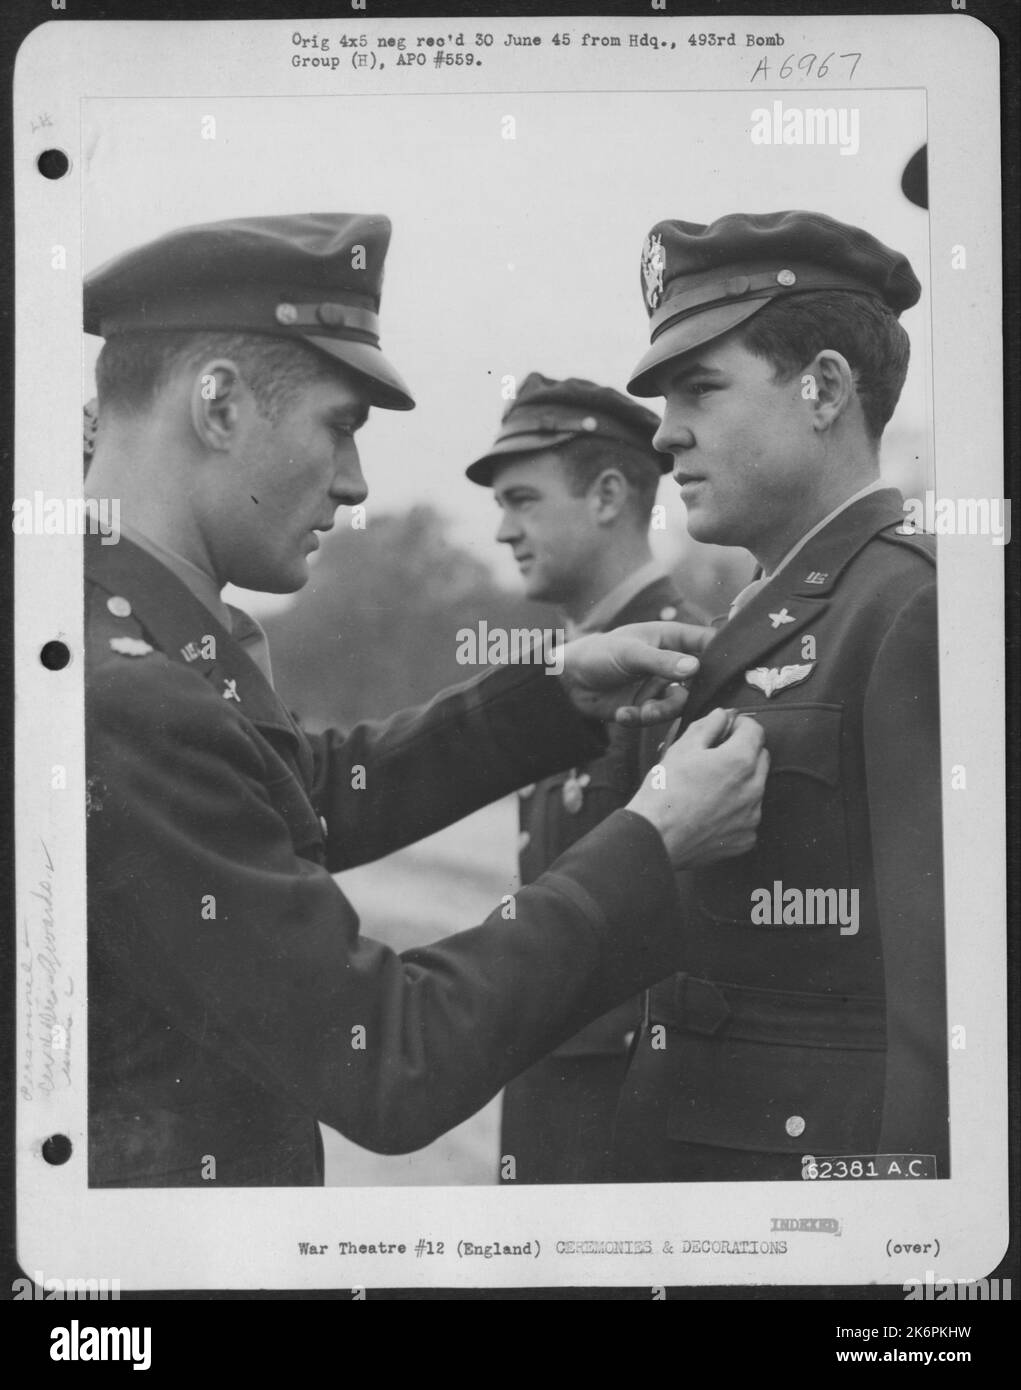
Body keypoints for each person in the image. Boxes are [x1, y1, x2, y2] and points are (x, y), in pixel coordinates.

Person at [82, 212, 769, 1187]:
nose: (356, 484)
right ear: (220, 405)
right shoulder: (130, 695)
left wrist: (556, 692)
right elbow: (387, 1055)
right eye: (340, 426)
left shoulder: (109, 637)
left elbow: (308, 792)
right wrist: (652, 840)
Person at [610, 209, 948, 1182]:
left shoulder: (904, 609)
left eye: (700, 390)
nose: (665, 432)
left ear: (825, 389)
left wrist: (898, 1250)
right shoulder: (761, 611)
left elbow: (933, 1014)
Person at [466, 373, 692, 1183]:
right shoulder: (570, 674)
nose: (502, 531)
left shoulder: (678, 667)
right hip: (554, 1093)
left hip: (616, 1124)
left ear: (606, 496)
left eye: (521, 500)